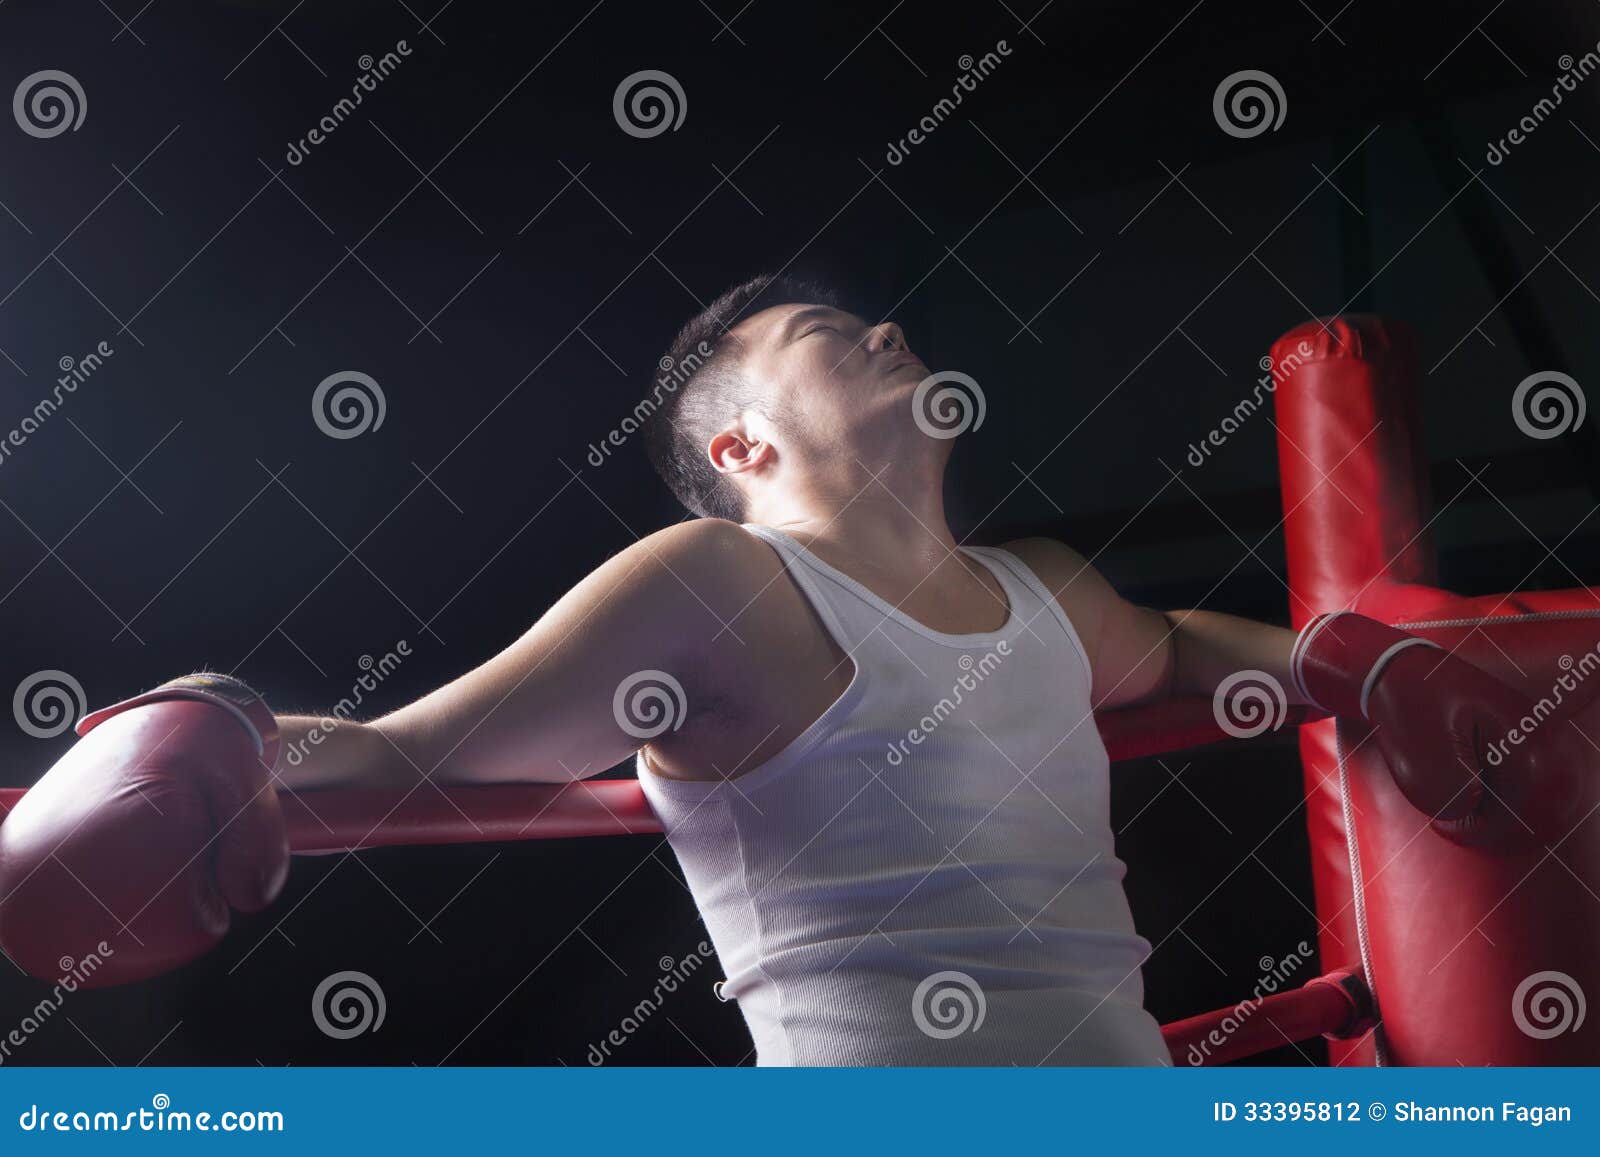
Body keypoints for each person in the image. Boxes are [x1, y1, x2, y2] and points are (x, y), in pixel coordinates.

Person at [0, 275, 1537, 1066]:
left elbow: (1189, 644)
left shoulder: (1041, 594)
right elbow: (427, 746)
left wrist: (1352, 661)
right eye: (822, 330)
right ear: (738, 445)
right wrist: (212, 729)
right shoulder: (719, 585)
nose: (880, 321)